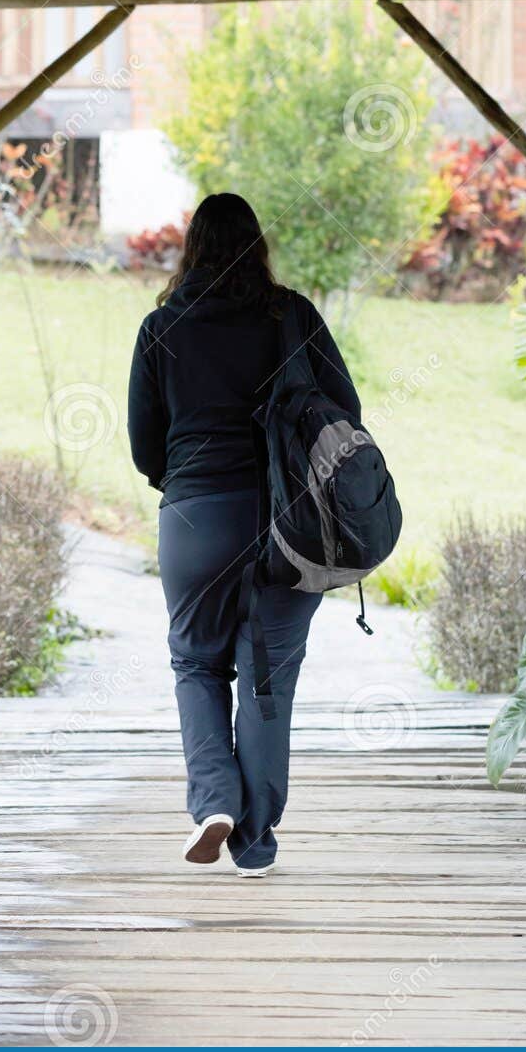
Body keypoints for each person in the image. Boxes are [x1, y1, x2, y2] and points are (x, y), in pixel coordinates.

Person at [127, 192, 360, 875]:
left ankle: (213, 803)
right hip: (293, 523)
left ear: (191, 247)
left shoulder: (162, 327)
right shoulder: (294, 316)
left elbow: (146, 446)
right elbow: (345, 413)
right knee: (268, 678)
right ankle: (254, 841)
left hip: (197, 516)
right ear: (258, 245)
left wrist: (190, 482)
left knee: (197, 663)